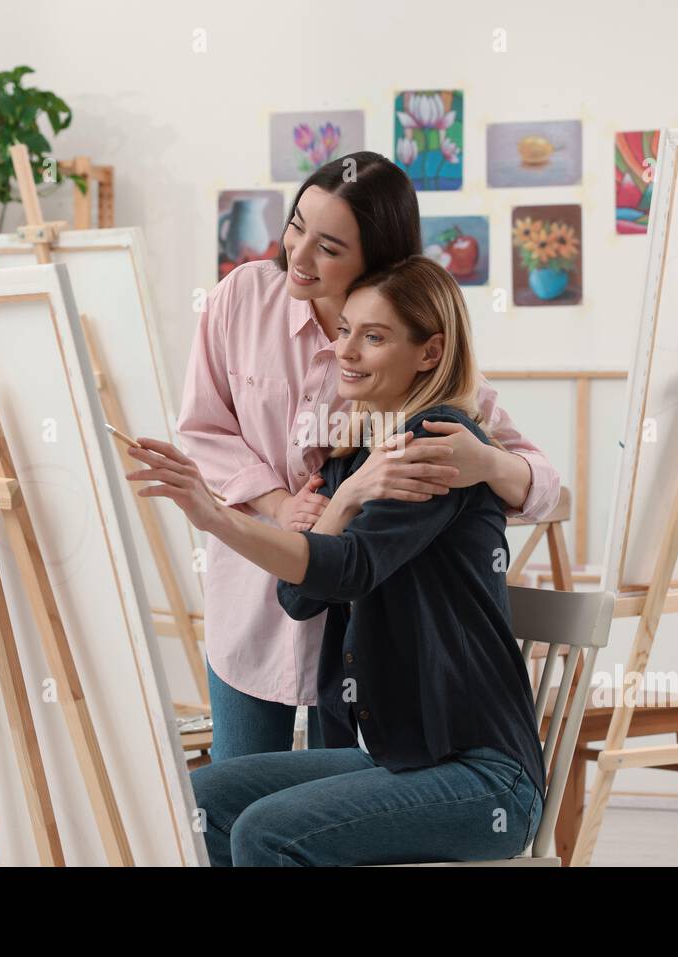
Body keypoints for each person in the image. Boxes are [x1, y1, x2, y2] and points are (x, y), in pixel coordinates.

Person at [130, 257, 544, 866]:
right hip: (397, 757)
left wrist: (218, 517)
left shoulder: (435, 445)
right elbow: (300, 598)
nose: (345, 350)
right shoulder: (355, 459)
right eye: (344, 330)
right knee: (199, 802)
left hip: (482, 776)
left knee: (264, 833)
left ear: (429, 352)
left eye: (373, 337)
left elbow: (346, 567)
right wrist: (345, 495)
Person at [177, 151, 560, 761]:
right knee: (233, 798)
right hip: (253, 598)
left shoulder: (407, 332)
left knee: (329, 810)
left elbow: (541, 482)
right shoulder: (242, 298)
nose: (299, 256)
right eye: (297, 225)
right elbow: (201, 428)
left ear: (375, 257)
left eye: (329, 248)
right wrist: (279, 505)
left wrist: (487, 464)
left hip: (360, 630)